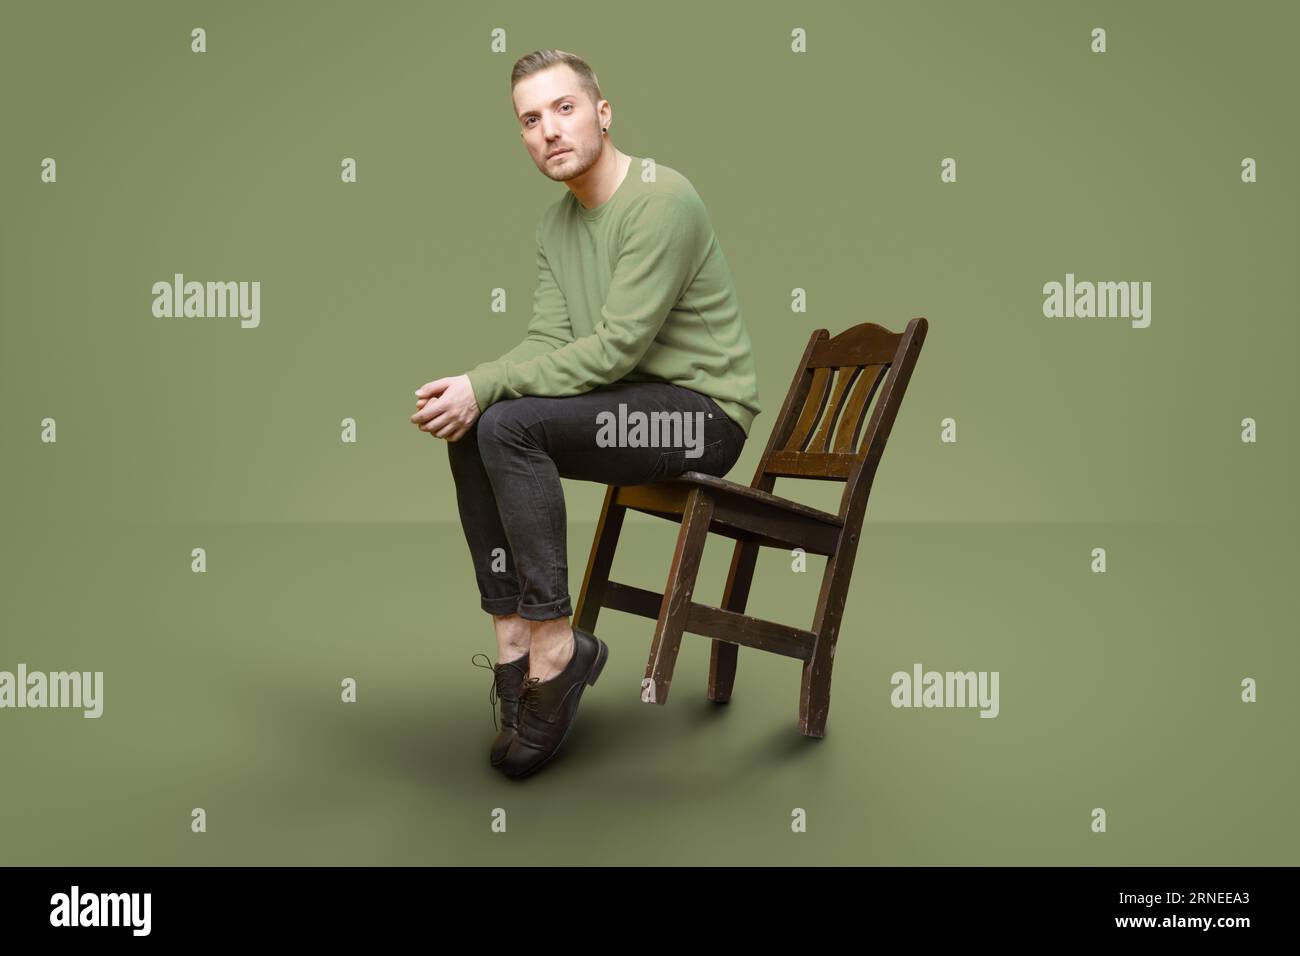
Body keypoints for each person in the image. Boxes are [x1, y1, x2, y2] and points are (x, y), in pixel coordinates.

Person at [410, 49, 761, 779]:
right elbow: (549, 342)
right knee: (483, 423)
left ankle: (556, 646)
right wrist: (479, 390)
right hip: (627, 402)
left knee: (506, 415)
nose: (548, 131)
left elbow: (612, 352)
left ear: (603, 113)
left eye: (564, 109)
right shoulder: (555, 226)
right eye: (530, 120)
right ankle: (513, 632)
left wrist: (486, 381)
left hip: (700, 415)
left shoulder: (663, 198)